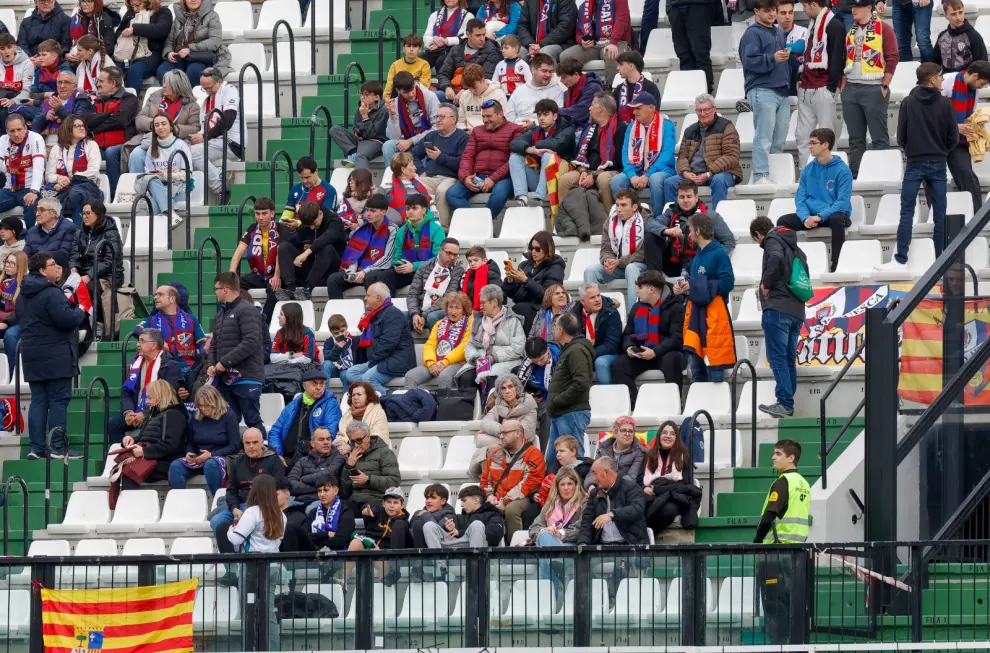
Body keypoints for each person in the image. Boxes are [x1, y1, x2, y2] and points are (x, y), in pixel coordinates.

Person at [878, 61, 957, 270]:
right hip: (938, 162)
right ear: (932, 80)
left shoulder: (908, 102)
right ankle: (941, 260)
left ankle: (901, 259)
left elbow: (901, 136)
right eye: (940, 77)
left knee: (907, 212)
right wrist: (941, 151)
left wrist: (914, 151)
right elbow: (953, 137)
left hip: (915, 162)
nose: (942, 80)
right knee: (940, 213)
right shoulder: (945, 103)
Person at [18, 251, 87, 458]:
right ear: (42, 270)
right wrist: (80, 310)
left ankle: (37, 448)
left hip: (31, 356)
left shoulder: (23, 294)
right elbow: (67, 320)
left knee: (39, 400)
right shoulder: (51, 292)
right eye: (52, 264)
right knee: (58, 401)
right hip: (55, 356)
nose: (57, 267)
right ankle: (57, 447)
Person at [754, 440, 812, 643]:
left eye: (778, 453)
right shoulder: (804, 484)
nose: (773, 457)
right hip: (795, 555)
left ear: (791, 458)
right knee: (791, 607)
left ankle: (778, 646)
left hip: (775, 555)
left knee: (773, 607)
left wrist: (757, 540)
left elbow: (770, 514)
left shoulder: (782, 482)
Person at [751, 216, 808, 418]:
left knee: (778, 359)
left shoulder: (772, 240)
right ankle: (787, 403)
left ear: (758, 234)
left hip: (778, 308)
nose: (760, 244)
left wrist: (766, 283)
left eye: (757, 241)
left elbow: (774, 258)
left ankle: (785, 403)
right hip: (796, 310)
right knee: (788, 359)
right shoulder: (793, 245)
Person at [775, 128, 852, 273]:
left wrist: (820, 216)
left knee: (837, 219)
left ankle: (836, 264)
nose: (809, 146)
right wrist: (805, 218)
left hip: (833, 214)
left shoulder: (843, 170)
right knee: (783, 222)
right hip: (811, 216)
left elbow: (842, 202)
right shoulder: (808, 169)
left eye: (813, 143)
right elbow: (800, 198)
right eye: (809, 143)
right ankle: (791, 265)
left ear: (825, 145)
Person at [841, 0, 898, 178]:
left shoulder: (884, 28)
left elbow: (892, 57)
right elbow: (846, 59)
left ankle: (882, 175)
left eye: (857, 6)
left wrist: (885, 85)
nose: (853, 10)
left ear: (868, 8)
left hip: (874, 88)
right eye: (852, 6)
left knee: (879, 138)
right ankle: (857, 175)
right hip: (851, 87)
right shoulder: (851, 30)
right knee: (855, 139)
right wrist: (843, 86)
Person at [677, 212, 736, 382]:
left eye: (689, 230)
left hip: (713, 318)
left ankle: (716, 408)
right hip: (697, 315)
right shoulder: (699, 254)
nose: (688, 234)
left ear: (697, 231)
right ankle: (700, 406)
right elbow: (698, 282)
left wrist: (696, 285)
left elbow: (727, 283)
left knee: (713, 366)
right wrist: (686, 286)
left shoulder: (719, 254)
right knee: (696, 366)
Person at [610, 270, 686, 398]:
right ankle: (634, 404)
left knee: (672, 360)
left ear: (651, 290)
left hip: (666, 352)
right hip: (643, 352)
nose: (636, 291)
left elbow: (677, 339)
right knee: (619, 365)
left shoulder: (675, 307)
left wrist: (655, 351)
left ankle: (674, 402)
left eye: (640, 287)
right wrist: (628, 347)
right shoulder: (637, 307)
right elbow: (627, 334)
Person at [208, 271, 267, 435]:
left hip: (247, 377)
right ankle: (231, 456)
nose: (215, 292)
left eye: (216, 288)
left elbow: (251, 342)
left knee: (252, 419)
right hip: (226, 379)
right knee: (229, 420)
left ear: (225, 289)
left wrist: (224, 362)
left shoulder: (247, 310)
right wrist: (211, 364)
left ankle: (266, 455)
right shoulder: (220, 314)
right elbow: (215, 344)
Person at [739, 0, 790, 185]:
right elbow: (749, 60)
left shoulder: (777, 32)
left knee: (779, 139)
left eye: (773, 10)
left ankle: (773, 175)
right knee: (764, 136)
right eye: (767, 11)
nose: (772, 14)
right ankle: (760, 175)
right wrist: (772, 58)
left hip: (781, 90)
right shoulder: (752, 33)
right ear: (756, 11)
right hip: (762, 89)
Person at [447, 99, 525, 219]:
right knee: (452, 194)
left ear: (500, 114)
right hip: (478, 175)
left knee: (498, 196)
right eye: (483, 116)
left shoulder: (515, 130)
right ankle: (478, 225)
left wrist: (493, 179)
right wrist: (465, 177)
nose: (485, 120)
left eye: (489, 116)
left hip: (503, 178)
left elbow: (514, 160)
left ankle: (482, 225)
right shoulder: (477, 131)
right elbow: (468, 156)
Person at [663, 94, 742, 209]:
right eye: (699, 110)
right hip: (694, 174)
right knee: (670, 182)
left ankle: (717, 219)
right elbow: (682, 157)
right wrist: (686, 173)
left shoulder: (726, 127)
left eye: (706, 110)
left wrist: (709, 173)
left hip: (721, 172)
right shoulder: (690, 130)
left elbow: (731, 157)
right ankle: (675, 219)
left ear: (714, 109)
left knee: (718, 180)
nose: (702, 113)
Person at [107, 326, 182, 444]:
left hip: (157, 413)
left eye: (142, 341)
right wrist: (128, 412)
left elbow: (168, 397)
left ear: (153, 345)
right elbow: (126, 391)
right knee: (114, 423)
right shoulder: (136, 364)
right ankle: (119, 458)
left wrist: (145, 413)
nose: (138, 344)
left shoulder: (170, 366)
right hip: (135, 411)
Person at [648, 179, 736, 279]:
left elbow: (729, 240)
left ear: (696, 198)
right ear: (677, 199)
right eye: (682, 197)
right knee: (651, 236)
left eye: (689, 196)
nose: (685, 200)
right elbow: (650, 224)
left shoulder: (710, 215)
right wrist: (667, 231)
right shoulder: (671, 212)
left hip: (698, 261)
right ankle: (653, 280)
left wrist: (713, 258)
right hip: (673, 260)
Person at [341, 282, 416, 395]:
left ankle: (388, 401)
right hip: (382, 359)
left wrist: (373, 363)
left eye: (368, 295)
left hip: (398, 361)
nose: (365, 298)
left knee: (368, 378)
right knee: (351, 373)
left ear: (378, 298)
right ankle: (380, 394)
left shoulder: (393, 314)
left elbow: (387, 344)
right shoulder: (375, 315)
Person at [557, 92, 625, 216]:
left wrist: (593, 176)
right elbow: (578, 156)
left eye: (592, 105)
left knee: (604, 180)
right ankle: (566, 220)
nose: (589, 108)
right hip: (587, 171)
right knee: (565, 180)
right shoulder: (590, 128)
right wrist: (582, 171)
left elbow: (618, 161)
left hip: (610, 171)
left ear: (600, 109)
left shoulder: (620, 129)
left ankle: (609, 220)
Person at [795, 0, 846, 165]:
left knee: (826, 138)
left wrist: (831, 87)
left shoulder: (834, 25)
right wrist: (800, 78)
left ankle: (831, 173)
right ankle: (806, 173)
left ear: (814, 4)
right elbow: (807, 54)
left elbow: (838, 57)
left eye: (804, 5)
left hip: (824, 87)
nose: (802, 9)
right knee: (803, 137)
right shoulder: (812, 24)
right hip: (806, 87)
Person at [209, 428, 285, 538]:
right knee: (216, 521)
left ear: (262, 442)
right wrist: (235, 508)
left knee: (246, 522)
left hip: (262, 507)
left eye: (255, 442)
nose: (251, 446)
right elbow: (231, 490)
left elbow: (277, 488)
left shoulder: (274, 460)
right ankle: (228, 553)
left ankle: (240, 553)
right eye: (247, 443)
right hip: (239, 505)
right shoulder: (237, 461)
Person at [525, 465, 586, 599]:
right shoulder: (551, 504)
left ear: (576, 485)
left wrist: (561, 534)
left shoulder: (584, 502)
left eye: (570, 483)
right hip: (552, 547)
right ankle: (559, 572)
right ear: (557, 487)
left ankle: (550, 597)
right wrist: (546, 530)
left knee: (545, 555)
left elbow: (581, 528)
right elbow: (533, 528)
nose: (566, 488)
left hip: (572, 546)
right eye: (562, 484)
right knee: (544, 537)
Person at [480, 417, 546, 538]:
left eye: (505, 433)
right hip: (497, 496)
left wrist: (505, 501)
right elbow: (485, 481)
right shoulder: (495, 454)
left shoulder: (533, 454)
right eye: (500, 433)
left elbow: (528, 484)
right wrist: (489, 496)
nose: (501, 436)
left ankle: (514, 548)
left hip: (523, 497)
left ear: (517, 433)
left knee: (511, 510)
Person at [609, 93, 676, 212]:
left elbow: (666, 155)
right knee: (617, 181)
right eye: (634, 109)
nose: (634, 112)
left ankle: (659, 219)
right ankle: (628, 216)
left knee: (655, 179)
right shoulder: (631, 127)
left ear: (651, 108)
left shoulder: (666, 125)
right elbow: (625, 152)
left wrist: (648, 175)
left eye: (638, 108)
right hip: (637, 171)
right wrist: (631, 175)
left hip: (661, 171)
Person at [168, 385, 240, 495]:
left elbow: (235, 445)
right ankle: (181, 505)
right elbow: (191, 441)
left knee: (211, 464)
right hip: (199, 457)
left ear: (215, 402)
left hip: (221, 456)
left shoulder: (228, 415)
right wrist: (189, 453)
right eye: (200, 405)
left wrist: (212, 454)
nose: (203, 409)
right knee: (175, 466)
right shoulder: (197, 416)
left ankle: (219, 502)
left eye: (207, 406)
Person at [117, 379, 189, 489]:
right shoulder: (153, 413)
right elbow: (147, 437)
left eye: (150, 398)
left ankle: (130, 505)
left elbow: (171, 445)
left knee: (130, 471)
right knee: (125, 468)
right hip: (153, 458)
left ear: (160, 397)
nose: (146, 401)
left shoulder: (175, 415)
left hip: (167, 462)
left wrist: (144, 452)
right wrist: (132, 440)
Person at [582, 188, 647, 309]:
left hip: (640, 267)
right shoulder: (610, 221)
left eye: (623, 205)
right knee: (590, 271)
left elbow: (644, 253)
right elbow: (606, 248)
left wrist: (619, 262)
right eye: (617, 205)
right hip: (618, 266)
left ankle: (632, 316)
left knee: (631, 268)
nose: (619, 209)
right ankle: (593, 313)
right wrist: (608, 261)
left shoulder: (646, 221)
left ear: (634, 207)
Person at [545, 312, 594, 470]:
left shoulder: (576, 350)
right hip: (562, 413)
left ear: (561, 330)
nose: (552, 331)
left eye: (554, 327)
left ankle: (577, 494)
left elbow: (581, 383)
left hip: (571, 412)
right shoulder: (569, 350)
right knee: (552, 462)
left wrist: (558, 400)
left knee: (573, 461)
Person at [941, 60, 990, 212]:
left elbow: (968, 116)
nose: (982, 87)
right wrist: (955, 127)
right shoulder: (947, 81)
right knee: (934, 181)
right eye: (982, 83)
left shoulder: (974, 91)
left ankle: (976, 218)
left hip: (958, 140)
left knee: (967, 176)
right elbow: (931, 113)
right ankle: (940, 219)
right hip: (936, 138)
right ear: (975, 76)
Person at [458, 284, 526, 391]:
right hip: (481, 361)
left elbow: (518, 348)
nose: (480, 306)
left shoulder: (513, 321)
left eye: (483, 303)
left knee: (492, 379)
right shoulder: (478, 321)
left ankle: (490, 407)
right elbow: (470, 344)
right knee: (466, 378)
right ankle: (472, 408)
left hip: (505, 362)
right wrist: (475, 358)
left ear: (494, 302)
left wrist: (494, 358)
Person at [326, 195, 396, 299]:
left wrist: (364, 271)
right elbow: (353, 254)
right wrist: (352, 272)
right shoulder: (362, 229)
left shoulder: (392, 229)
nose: (368, 214)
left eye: (373, 211)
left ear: (383, 212)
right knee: (333, 279)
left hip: (377, 271)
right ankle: (340, 314)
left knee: (371, 279)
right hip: (359, 271)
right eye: (367, 210)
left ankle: (372, 314)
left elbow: (388, 259)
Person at [508, 98, 575, 207]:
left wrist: (537, 146)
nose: (541, 118)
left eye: (545, 114)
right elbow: (514, 143)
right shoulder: (537, 131)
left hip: (560, 181)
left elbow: (555, 145)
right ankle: (522, 198)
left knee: (548, 155)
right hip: (543, 181)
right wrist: (532, 150)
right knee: (515, 157)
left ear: (555, 116)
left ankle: (539, 198)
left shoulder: (567, 129)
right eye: (539, 115)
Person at [228, 197, 288, 320]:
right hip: (258, 275)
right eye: (257, 214)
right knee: (230, 286)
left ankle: (263, 323)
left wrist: (277, 276)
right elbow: (239, 252)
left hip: (275, 274)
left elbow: (281, 254)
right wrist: (231, 275)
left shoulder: (281, 228)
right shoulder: (252, 229)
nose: (260, 217)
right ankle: (242, 315)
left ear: (272, 213)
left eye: (264, 213)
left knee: (274, 291)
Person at [419, 485, 504, 569]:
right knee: (429, 525)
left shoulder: (493, 514)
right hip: (456, 546)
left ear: (476, 500)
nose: (461, 505)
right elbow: (451, 534)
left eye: (464, 501)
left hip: (480, 548)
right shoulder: (461, 517)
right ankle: (441, 568)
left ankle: (474, 568)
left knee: (477, 525)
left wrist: (460, 532)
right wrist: (450, 528)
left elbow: (494, 535)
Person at [268, 368, 342, 464]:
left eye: (322, 384)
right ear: (304, 386)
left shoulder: (330, 404)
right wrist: (277, 454)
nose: (319, 387)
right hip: (286, 457)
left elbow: (329, 433)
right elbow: (276, 430)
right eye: (314, 383)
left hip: (312, 458)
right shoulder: (293, 405)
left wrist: (313, 450)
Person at [132, 283, 205, 380]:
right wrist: (159, 341)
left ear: (172, 299)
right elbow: (137, 330)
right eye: (155, 295)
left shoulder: (191, 319)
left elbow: (202, 342)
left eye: (160, 295)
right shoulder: (152, 320)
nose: (155, 298)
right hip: (164, 368)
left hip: (188, 368)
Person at [374, 194, 443, 295]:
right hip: (407, 271)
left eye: (414, 208)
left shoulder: (436, 229)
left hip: (429, 272)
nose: (410, 211)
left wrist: (414, 267)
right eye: (407, 208)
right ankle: (389, 307)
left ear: (424, 210)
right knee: (382, 278)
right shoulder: (402, 231)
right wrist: (398, 265)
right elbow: (396, 257)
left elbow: (439, 259)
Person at [190, 68, 241, 203]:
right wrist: (196, 137)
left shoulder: (229, 90)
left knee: (191, 153)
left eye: (209, 87)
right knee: (183, 151)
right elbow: (206, 127)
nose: (207, 91)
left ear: (219, 82)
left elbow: (228, 120)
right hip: (215, 142)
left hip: (231, 142)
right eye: (203, 88)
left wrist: (204, 137)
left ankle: (220, 185)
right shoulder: (208, 100)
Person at [85, 67, 137, 198]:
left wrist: (96, 126)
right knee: (85, 150)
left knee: (111, 152)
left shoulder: (129, 99)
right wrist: (109, 114)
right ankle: (89, 194)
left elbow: (120, 121)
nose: (97, 84)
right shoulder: (97, 101)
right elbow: (87, 121)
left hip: (123, 146)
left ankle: (114, 194)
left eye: (101, 81)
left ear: (113, 83)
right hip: (99, 147)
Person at [278, 201, 346, 302]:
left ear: (321, 214)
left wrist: (308, 251)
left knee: (327, 248)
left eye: (314, 224)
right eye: (308, 226)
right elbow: (295, 242)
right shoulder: (307, 223)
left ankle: (308, 289)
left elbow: (326, 238)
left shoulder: (335, 221)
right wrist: (302, 249)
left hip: (330, 270)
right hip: (310, 268)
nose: (312, 227)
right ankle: (290, 287)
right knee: (284, 247)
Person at [405, 291, 474, 389]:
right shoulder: (439, 323)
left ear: (464, 310)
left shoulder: (470, 323)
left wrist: (444, 362)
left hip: (458, 362)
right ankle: (413, 403)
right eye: (450, 307)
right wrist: (431, 363)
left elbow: (464, 347)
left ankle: (445, 404)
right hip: (436, 362)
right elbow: (430, 345)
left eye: (457, 308)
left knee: (444, 377)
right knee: (410, 376)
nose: (453, 311)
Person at [414, 103, 468, 227]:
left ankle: (442, 229)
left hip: (451, 178)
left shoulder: (463, 137)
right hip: (429, 177)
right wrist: (420, 170)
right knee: (415, 187)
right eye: (437, 117)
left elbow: (462, 163)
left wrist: (440, 157)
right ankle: (419, 228)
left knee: (442, 191)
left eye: (442, 117)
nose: (438, 120)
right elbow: (414, 154)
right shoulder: (431, 136)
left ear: (453, 119)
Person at [473, 374, 539, 475]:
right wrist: (502, 430)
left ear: (516, 388)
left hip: (522, 450)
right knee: (486, 453)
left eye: (510, 386)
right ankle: (488, 487)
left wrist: (503, 433)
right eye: (503, 388)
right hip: (501, 447)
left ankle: (492, 486)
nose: (507, 391)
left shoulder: (529, 406)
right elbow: (485, 423)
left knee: (491, 449)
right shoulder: (498, 406)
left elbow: (526, 434)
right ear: (500, 392)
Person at [502, 231, 566, 332]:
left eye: (537, 249)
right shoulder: (525, 265)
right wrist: (510, 281)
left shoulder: (556, 268)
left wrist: (526, 280)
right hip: (524, 305)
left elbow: (548, 295)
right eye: (531, 248)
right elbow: (514, 295)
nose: (533, 251)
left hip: (542, 307)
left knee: (520, 309)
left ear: (547, 249)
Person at [642, 421, 700, 532]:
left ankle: (648, 536)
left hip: (674, 497)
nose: (668, 436)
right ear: (659, 436)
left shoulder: (684, 456)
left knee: (669, 510)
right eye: (665, 432)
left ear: (677, 438)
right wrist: (644, 488)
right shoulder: (648, 455)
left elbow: (686, 484)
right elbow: (639, 480)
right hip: (651, 495)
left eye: (672, 434)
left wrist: (661, 489)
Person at [577, 455, 648, 544]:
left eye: (595, 473)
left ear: (606, 472)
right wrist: (583, 543)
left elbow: (637, 509)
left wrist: (612, 515)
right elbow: (587, 523)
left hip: (630, 546)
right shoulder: (594, 493)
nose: (594, 478)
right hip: (602, 549)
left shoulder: (632, 487)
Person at [43, 115, 100, 225]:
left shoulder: (91, 145)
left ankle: (76, 233)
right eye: (77, 126)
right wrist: (59, 178)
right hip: (63, 190)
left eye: (83, 126)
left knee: (76, 195)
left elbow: (93, 171)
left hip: (88, 188)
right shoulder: (57, 148)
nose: (81, 128)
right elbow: (49, 175)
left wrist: (70, 180)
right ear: (68, 128)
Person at [157, 0, 232, 84]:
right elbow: (170, 40)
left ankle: (191, 97)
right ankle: (173, 96)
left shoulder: (212, 16)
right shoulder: (178, 18)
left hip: (200, 56)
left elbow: (215, 41)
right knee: (163, 71)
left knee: (194, 71)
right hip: (179, 56)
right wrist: (169, 52)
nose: (193, 0)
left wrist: (190, 48)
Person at [139, 112, 192, 224]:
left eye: (164, 124)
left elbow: (187, 175)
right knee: (151, 181)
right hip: (160, 187)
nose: (160, 127)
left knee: (154, 202)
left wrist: (166, 174)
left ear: (171, 127)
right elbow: (148, 175)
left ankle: (156, 238)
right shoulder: (151, 149)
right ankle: (171, 214)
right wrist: (161, 175)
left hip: (179, 187)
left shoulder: (181, 145)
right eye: (157, 125)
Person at [348, 487, 412, 580]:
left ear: (402, 505)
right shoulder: (376, 511)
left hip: (385, 555)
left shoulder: (403, 522)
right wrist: (365, 512)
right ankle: (343, 580)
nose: (391, 505)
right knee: (355, 543)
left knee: (380, 560)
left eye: (395, 502)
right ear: (383, 503)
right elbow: (369, 508)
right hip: (369, 549)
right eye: (388, 502)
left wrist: (380, 551)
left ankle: (382, 588)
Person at [560, 0, 631, 83]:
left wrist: (613, 42)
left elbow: (622, 20)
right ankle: (580, 88)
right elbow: (578, 32)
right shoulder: (584, 6)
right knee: (565, 57)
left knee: (612, 55)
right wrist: (582, 40)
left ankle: (611, 91)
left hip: (616, 42)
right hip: (593, 45)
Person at [339, 420, 401, 512]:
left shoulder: (385, 453)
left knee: (370, 511)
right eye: (352, 441)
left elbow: (394, 481)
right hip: (354, 499)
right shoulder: (350, 455)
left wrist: (369, 480)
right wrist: (348, 466)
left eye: (359, 440)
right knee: (336, 511)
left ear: (368, 437)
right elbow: (343, 491)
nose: (356, 445)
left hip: (377, 499)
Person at [382, 71, 438, 169]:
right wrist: (392, 115)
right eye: (406, 92)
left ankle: (422, 178)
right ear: (398, 90)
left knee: (428, 148)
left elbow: (436, 128)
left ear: (415, 83)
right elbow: (393, 136)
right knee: (388, 145)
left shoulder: (430, 97)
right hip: (407, 138)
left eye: (412, 89)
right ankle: (392, 179)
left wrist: (411, 141)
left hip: (428, 139)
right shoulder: (395, 103)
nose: (411, 94)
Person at [407, 238, 464, 334]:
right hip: (420, 310)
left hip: (443, 310)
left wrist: (424, 315)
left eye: (455, 255)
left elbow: (448, 297)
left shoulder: (458, 271)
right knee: (398, 317)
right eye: (448, 253)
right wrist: (415, 314)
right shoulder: (425, 266)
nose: (452, 257)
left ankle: (439, 347)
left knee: (432, 317)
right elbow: (413, 294)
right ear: (440, 251)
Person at [567, 283, 621, 383]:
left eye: (598, 295)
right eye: (592, 297)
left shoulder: (611, 313)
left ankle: (605, 396)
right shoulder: (573, 315)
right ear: (583, 301)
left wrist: (588, 353)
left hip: (609, 354)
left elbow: (612, 345)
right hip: (583, 353)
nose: (597, 299)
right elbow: (571, 340)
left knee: (600, 362)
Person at [0, 113, 47, 228]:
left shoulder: (35, 138)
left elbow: (38, 166)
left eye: (19, 129)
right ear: (7, 131)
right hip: (9, 189)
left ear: (25, 128)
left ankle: (31, 242)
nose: (16, 134)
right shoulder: (3, 139)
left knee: (32, 210)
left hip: (29, 188)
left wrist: (34, 191)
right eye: (12, 131)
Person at [115, 0, 174, 91]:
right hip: (128, 52)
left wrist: (135, 29)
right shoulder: (131, 13)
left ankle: (130, 101)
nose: (135, 9)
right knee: (114, 71)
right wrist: (124, 33)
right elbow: (118, 31)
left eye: (137, 5)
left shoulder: (162, 12)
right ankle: (112, 102)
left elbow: (160, 30)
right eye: (132, 6)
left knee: (135, 70)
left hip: (151, 53)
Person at [438, 18, 501, 103]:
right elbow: (443, 73)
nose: (482, 39)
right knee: (435, 96)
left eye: (484, 34)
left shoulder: (491, 51)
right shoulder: (456, 49)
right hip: (453, 93)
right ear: (468, 34)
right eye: (478, 35)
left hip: (474, 93)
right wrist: (447, 87)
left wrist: (466, 91)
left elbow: (486, 77)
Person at [329, 80, 387, 170]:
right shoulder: (360, 109)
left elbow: (372, 134)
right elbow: (356, 129)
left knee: (361, 155)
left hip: (376, 142)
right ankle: (353, 153)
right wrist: (358, 131)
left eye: (366, 94)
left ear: (376, 97)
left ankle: (363, 182)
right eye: (361, 94)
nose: (362, 97)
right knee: (334, 129)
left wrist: (365, 116)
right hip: (361, 140)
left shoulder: (383, 111)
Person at [224, 473, 287, 554]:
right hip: (275, 562)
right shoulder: (282, 515)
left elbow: (236, 540)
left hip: (252, 563)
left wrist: (231, 529)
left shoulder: (252, 512)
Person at [666, 0, 716, 92]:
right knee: (683, 54)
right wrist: (669, 8)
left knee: (701, 52)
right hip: (675, 8)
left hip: (699, 7)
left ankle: (706, 91)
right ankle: (688, 89)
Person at [287, 427, 346, 504]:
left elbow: (328, 474)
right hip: (300, 500)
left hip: (322, 501)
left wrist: (304, 479)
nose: (326, 442)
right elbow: (291, 485)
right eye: (321, 440)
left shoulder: (338, 458)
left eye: (328, 439)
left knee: (310, 510)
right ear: (312, 443)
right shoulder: (303, 460)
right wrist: (319, 487)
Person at [30, 70, 92, 143]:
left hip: (69, 145)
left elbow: (78, 124)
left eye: (66, 82)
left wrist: (59, 110)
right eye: (59, 82)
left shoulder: (81, 100)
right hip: (44, 145)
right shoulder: (50, 100)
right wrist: (45, 116)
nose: (62, 86)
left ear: (75, 86)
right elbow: (34, 128)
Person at [505, 54, 566, 126]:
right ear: (533, 70)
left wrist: (534, 124)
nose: (548, 75)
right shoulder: (519, 91)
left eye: (550, 72)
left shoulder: (557, 91)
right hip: (518, 130)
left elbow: (558, 117)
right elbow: (509, 117)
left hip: (544, 132)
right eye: (544, 71)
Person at [586, 415, 645, 489]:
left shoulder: (639, 452)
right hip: (602, 488)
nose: (627, 434)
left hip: (624, 491)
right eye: (623, 430)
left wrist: (611, 487)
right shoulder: (603, 448)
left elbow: (631, 477)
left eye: (631, 431)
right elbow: (593, 472)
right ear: (615, 433)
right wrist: (591, 486)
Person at [280, 156, 337, 229]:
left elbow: (326, 219)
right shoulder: (295, 189)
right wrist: (283, 222)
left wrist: (299, 224)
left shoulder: (329, 190)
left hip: (317, 231)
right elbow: (287, 213)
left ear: (316, 171)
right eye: (301, 177)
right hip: (295, 232)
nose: (304, 181)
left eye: (307, 177)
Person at [304, 475, 355, 551]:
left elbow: (339, 541)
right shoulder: (313, 512)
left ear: (336, 491)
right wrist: (327, 534)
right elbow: (305, 537)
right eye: (319, 491)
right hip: (313, 557)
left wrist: (317, 541)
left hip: (339, 557)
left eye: (326, 490)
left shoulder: (345, 511)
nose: (322, 494)